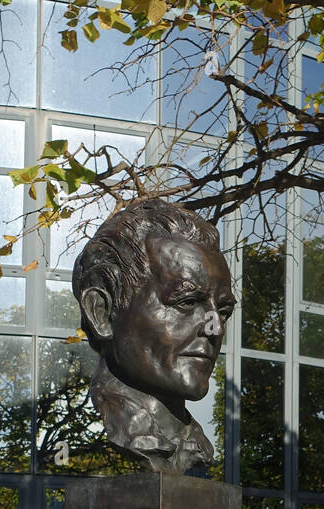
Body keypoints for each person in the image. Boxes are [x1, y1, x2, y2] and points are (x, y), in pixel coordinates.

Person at [72, 198, 236, 473]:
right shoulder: (116, 433)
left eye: (224, 311)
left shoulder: (194, 446)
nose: (215, 328)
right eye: (187, 302)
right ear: (101, 312)